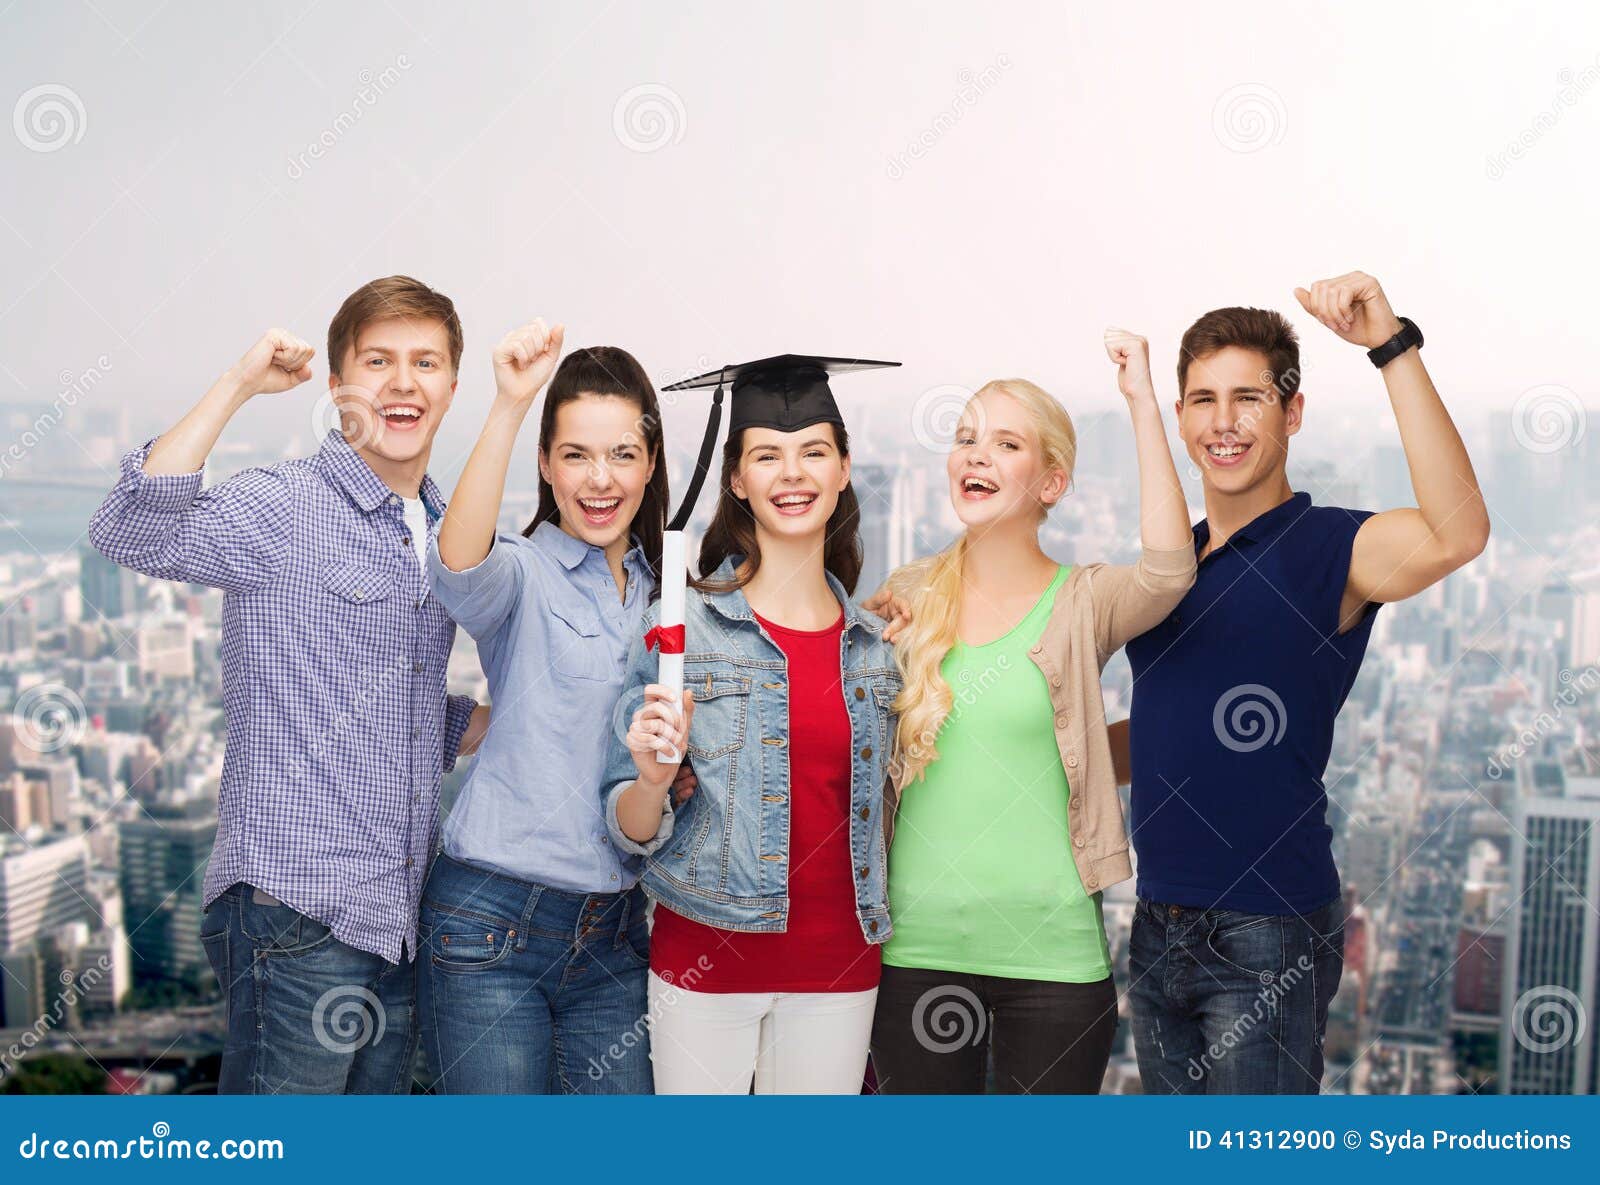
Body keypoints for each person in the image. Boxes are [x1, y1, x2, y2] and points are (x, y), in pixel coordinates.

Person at [87, 276, 488, 1094]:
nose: (403, 382)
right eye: (377, 361)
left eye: (425, 362)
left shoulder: (445, 529)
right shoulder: (285, 505)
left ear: (452, 385)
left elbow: (409, 713)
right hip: (295, 911)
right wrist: (238, 383)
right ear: (338, 386)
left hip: (396, 916)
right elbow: (127, 528)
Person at [1114, 270, 1489, 1094]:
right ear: (1180, 417)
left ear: (1292, 413)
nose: (1223, 421)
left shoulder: (1328, 548)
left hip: (1268, 928)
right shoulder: (1171, 563)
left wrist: (1390, 346)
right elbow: (1168, 728)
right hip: (1157, 921)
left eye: (1248, 398)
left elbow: (1458, 531)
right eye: (1204, 399)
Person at [867, 336, 1194, 1094]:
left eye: (1006, 443)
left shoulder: (1082, 602)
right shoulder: (904, 598)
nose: (976, 455)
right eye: (966, 438)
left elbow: (1170, 570)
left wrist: (1142, 401)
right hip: (914, 955)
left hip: (1054, 964)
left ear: (1053, 481)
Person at [604, 355, 904, 1094]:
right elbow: (630, 829)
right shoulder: (682, 632)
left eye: (813, 453)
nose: (792, 474)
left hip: (839, 970)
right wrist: (651, 780)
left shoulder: (878, 649)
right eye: (767, 455)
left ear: (843, 469)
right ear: (737, 479)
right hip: (704, 962)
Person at [419, 320, 690, 1094]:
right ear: (545, 463)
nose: (600, 479)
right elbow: (457, 561)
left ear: (650, 463)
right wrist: (509, 403)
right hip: (490, 923)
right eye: (575, 454)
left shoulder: (668, 595)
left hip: (615, 933)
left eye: (622, 454)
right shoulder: (524, 571)